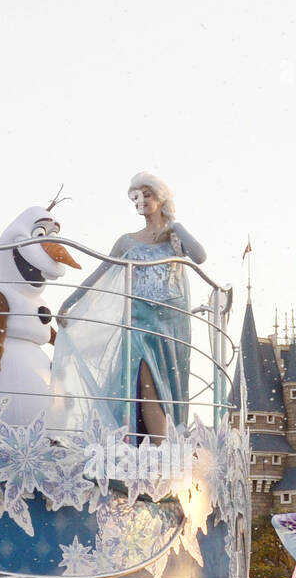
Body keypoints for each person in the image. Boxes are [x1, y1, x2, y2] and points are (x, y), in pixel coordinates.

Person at [56, 173, 205, 439]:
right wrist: (70, 302)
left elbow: (200, 256)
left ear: (161, 197)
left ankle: (165, 444)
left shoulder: (174, 239)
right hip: (138, 320)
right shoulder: (127, 240)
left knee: (170, 388)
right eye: (137, 196)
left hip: (171, 323)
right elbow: (100, 272)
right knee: (145, 381)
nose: (142, 200)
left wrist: (176, 227)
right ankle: (161, 448)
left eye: (147, 194)